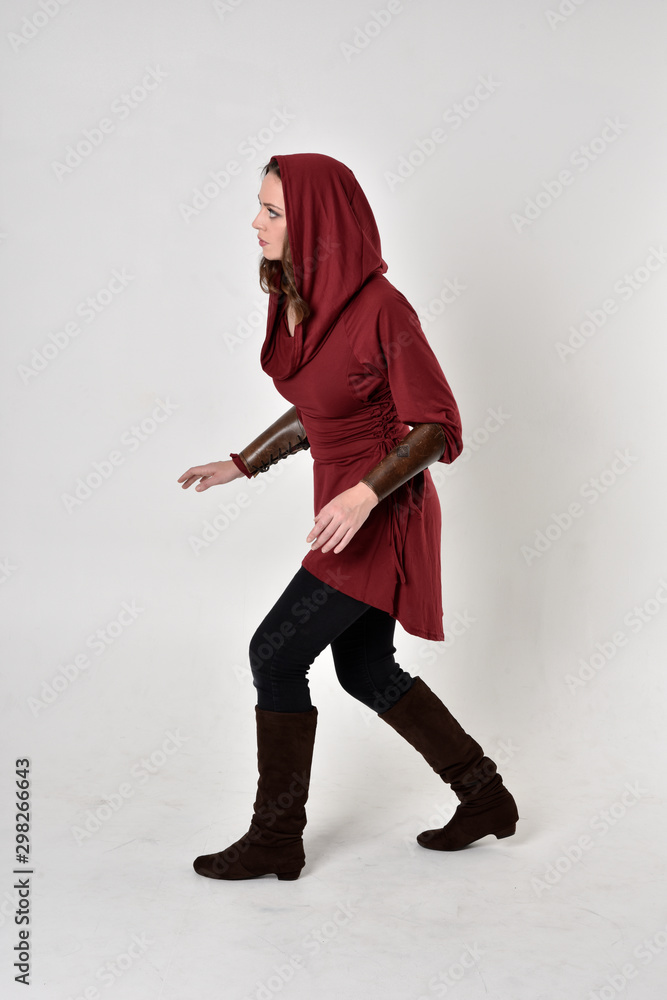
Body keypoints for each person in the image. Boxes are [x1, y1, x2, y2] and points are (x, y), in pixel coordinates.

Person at [177, 153, 518, 881]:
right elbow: (318, 405)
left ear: (319, 224)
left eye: (272, 212)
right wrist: (242, 462)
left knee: (275, 651)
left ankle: (275, 837)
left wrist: (364, 493)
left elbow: (438, 425)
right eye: (259, 207)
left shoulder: (383, 309)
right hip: (345, 505)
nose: (255, 222)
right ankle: (484, 796)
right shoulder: (305, 296)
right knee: (364, 668)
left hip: (380, 514)